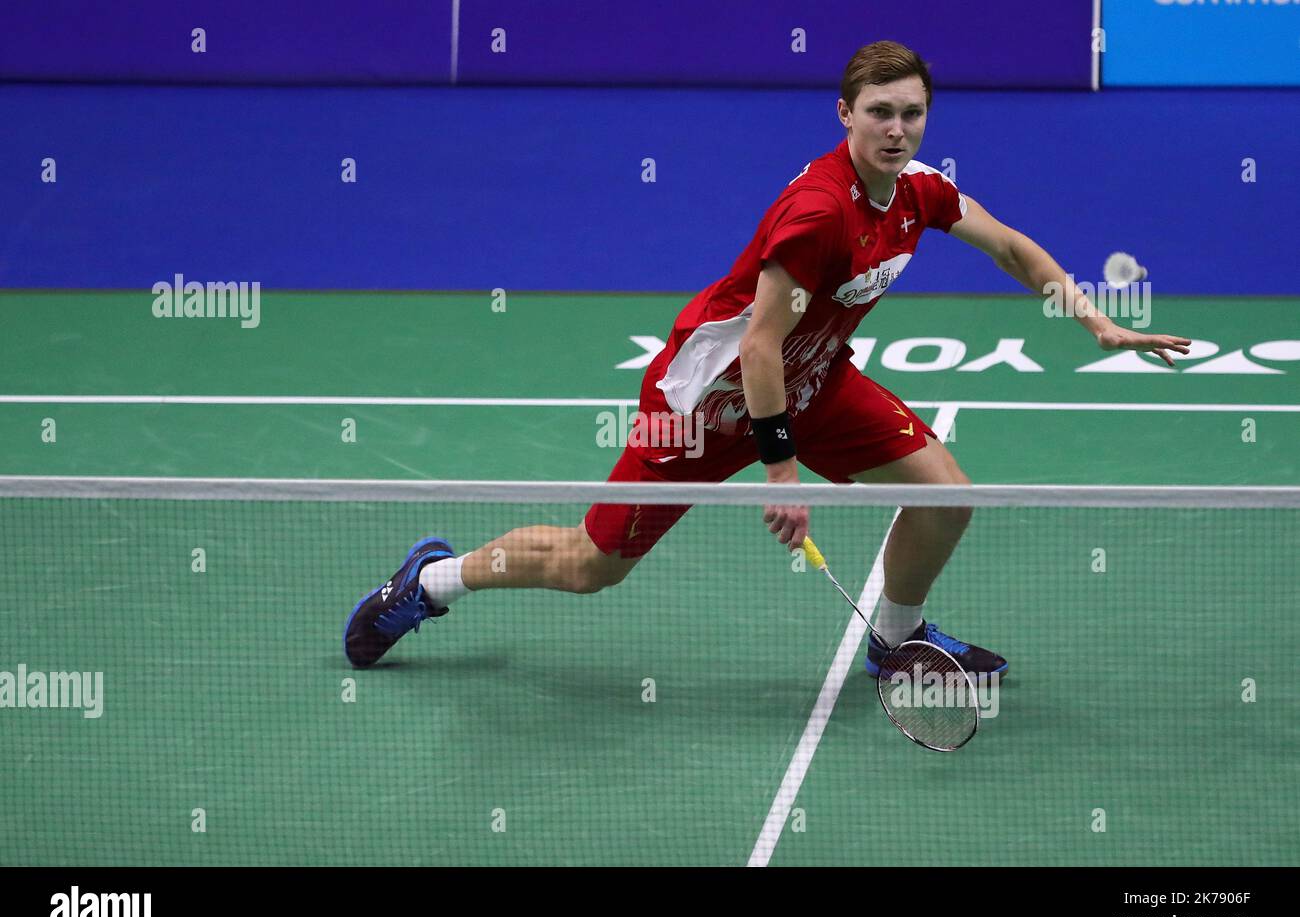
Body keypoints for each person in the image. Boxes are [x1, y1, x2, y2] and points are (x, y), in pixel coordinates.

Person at [344, 41, 1190, 672]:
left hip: (812, 384)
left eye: (912, 113)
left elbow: (1008, 246)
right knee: (589, 565)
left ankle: (895, 641)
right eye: (879, 113)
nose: (897, 130)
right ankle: (433, 582)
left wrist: (1095, 324)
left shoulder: (918, 190)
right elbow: (757, 344)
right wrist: (782, 480)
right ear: (844, 114)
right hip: (710, 404)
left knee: (948, 496)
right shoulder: (820, 213)